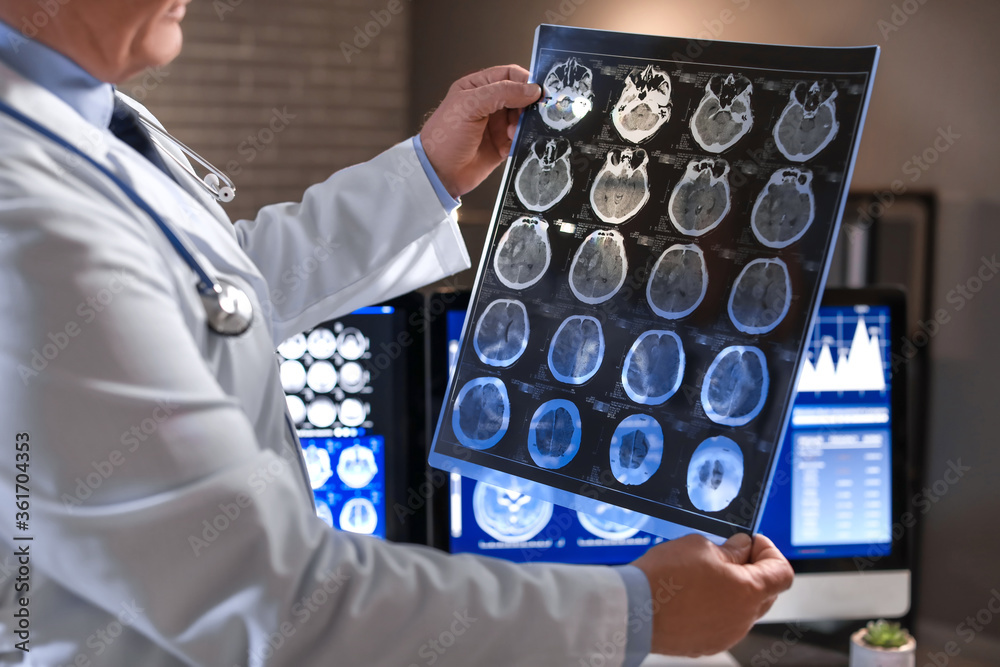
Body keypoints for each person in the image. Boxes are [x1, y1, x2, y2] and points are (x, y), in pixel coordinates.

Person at [0, 0, 794, 663]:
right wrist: (637, 609)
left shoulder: (80, 110)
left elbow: (213, 292)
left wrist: (425, 173)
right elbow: (266, 595)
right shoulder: (22, 215)